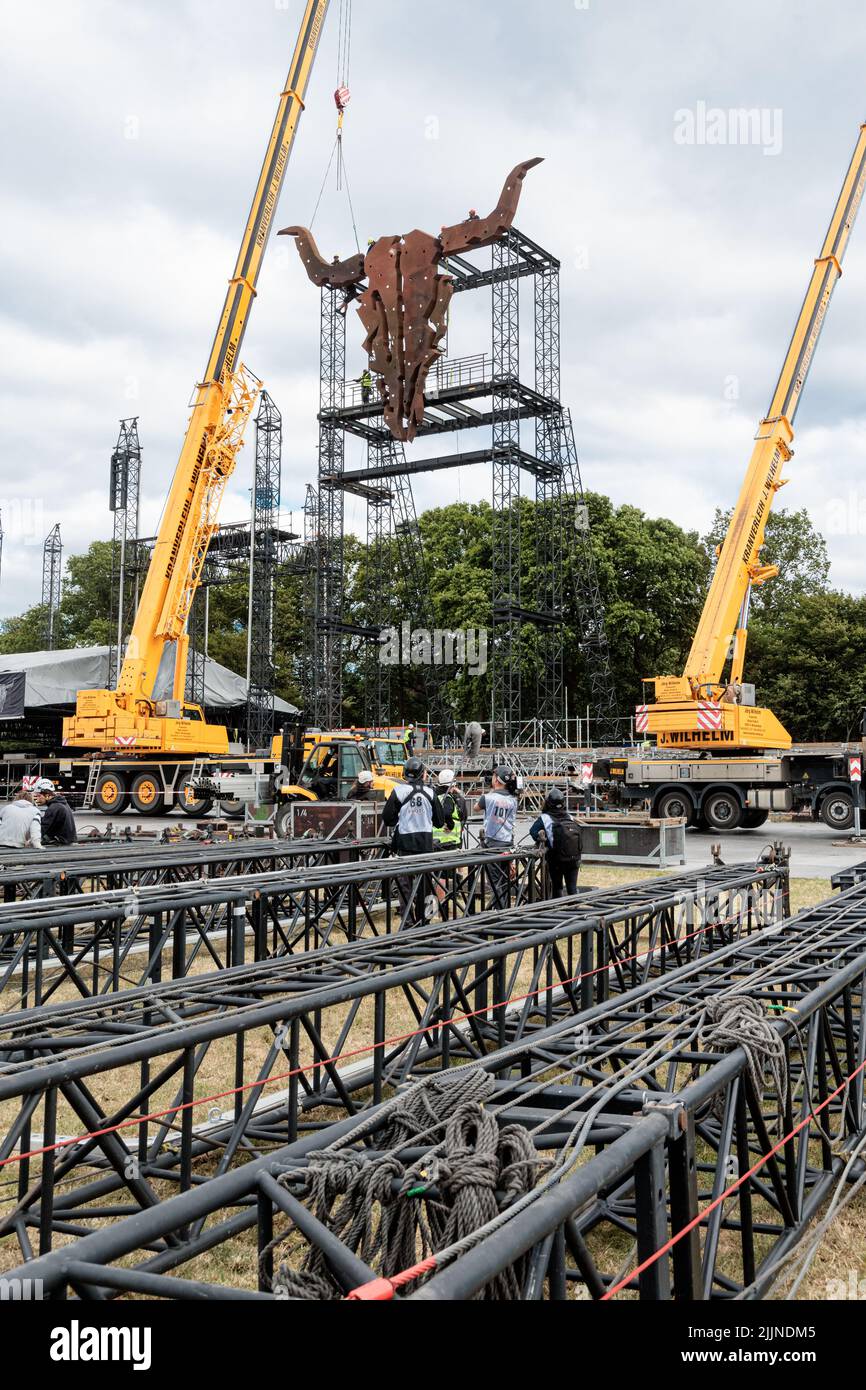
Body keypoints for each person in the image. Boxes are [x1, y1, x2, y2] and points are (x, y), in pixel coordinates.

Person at [381, 757, 444, 925]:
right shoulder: (431, 793)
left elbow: (387, 818)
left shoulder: (399, 791)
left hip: (404, 842)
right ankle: (425, 921)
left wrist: (404, 818)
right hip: (425, 842)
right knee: (426, 884)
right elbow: (439, 821)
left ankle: (408, 922)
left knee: (404, 885)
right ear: (423, 774)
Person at [476, 766, 518, 909]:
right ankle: (504, 908)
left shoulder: (488, 797)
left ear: (497, 780)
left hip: (492, 843)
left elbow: (476, 808)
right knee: (504, 879)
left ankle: (499, 911)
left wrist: (492, 791)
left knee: (494, 881)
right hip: (507, 841)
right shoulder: (513, 799)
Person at [529, 787, 582, 899]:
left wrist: (546, 842)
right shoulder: (570, 817)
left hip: (556, 859)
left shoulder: (544, 818)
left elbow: (533, 832)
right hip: (574, 858)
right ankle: (575, 910)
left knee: (557, 888)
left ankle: (558, 913)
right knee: (572, 889)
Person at [34, 778, 77, 846]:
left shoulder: (54, 807)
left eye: (39, 796)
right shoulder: (61, 803)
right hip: (68, 839)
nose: (37, 798)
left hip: (61, 842)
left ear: (47, 795)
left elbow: (43, 828)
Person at [433, 769, 467, 850]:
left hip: (435, 841)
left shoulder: (434, 797)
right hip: (449, 842)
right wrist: (450, 825)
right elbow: (446, 813)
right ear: (453, 784)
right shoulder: (447, 798)